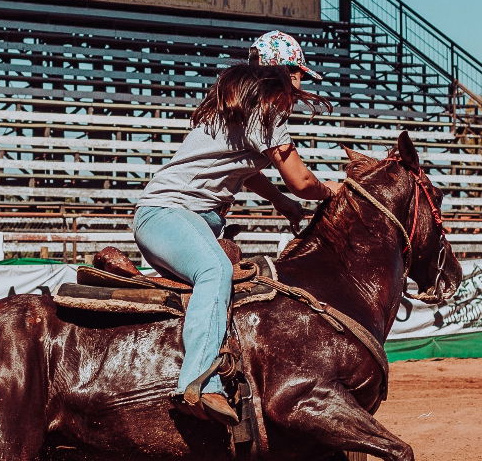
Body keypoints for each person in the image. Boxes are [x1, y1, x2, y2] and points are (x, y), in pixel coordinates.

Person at [133, 31, 337, 426]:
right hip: (170, 214)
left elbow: (249, 172)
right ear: (284, 72)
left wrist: (279, 202)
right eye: (296, 74)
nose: (298, 86)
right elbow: (300, 180)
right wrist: (330, 190)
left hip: (178, 216)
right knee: (216, 270)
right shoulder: (267, 111)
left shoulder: (241, 111)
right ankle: (199, 382)